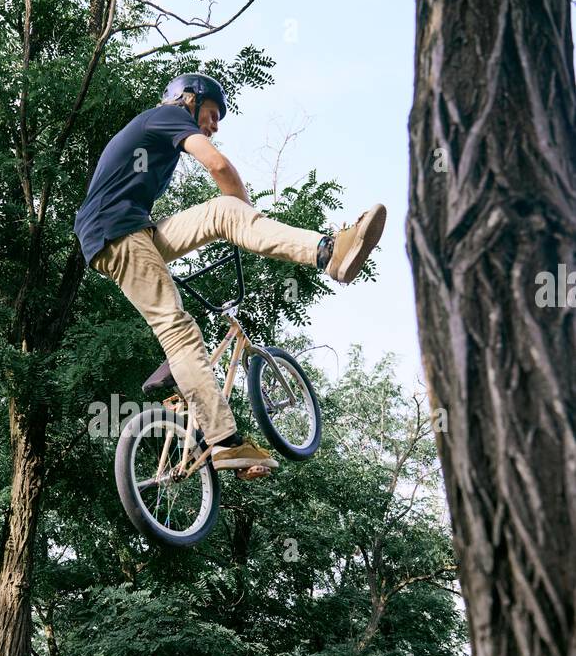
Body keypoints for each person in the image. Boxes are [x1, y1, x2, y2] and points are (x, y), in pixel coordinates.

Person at [74, 72, 386, 473]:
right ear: (188, 99)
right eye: (211, 113)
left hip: (136, 231)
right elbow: (218, 165)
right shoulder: (164, 117)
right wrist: (246, 215)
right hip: (116, 233)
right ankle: (225, 441)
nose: (215, 124)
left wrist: (238, 218)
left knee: (223, 213)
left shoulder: (158, 134)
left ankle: (328, 252)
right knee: (177, 328)